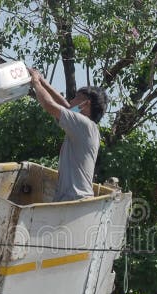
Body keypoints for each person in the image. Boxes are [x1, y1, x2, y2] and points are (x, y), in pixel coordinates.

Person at [28, 68, 108, 202]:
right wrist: (44, 83)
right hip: (77, 200)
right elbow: (66, 106)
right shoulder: (89, 127)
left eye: (76, 97)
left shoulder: (83, 124)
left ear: (86, 104)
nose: (71, 100)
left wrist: (35, 82)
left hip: (74, 199)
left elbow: (49, 105)